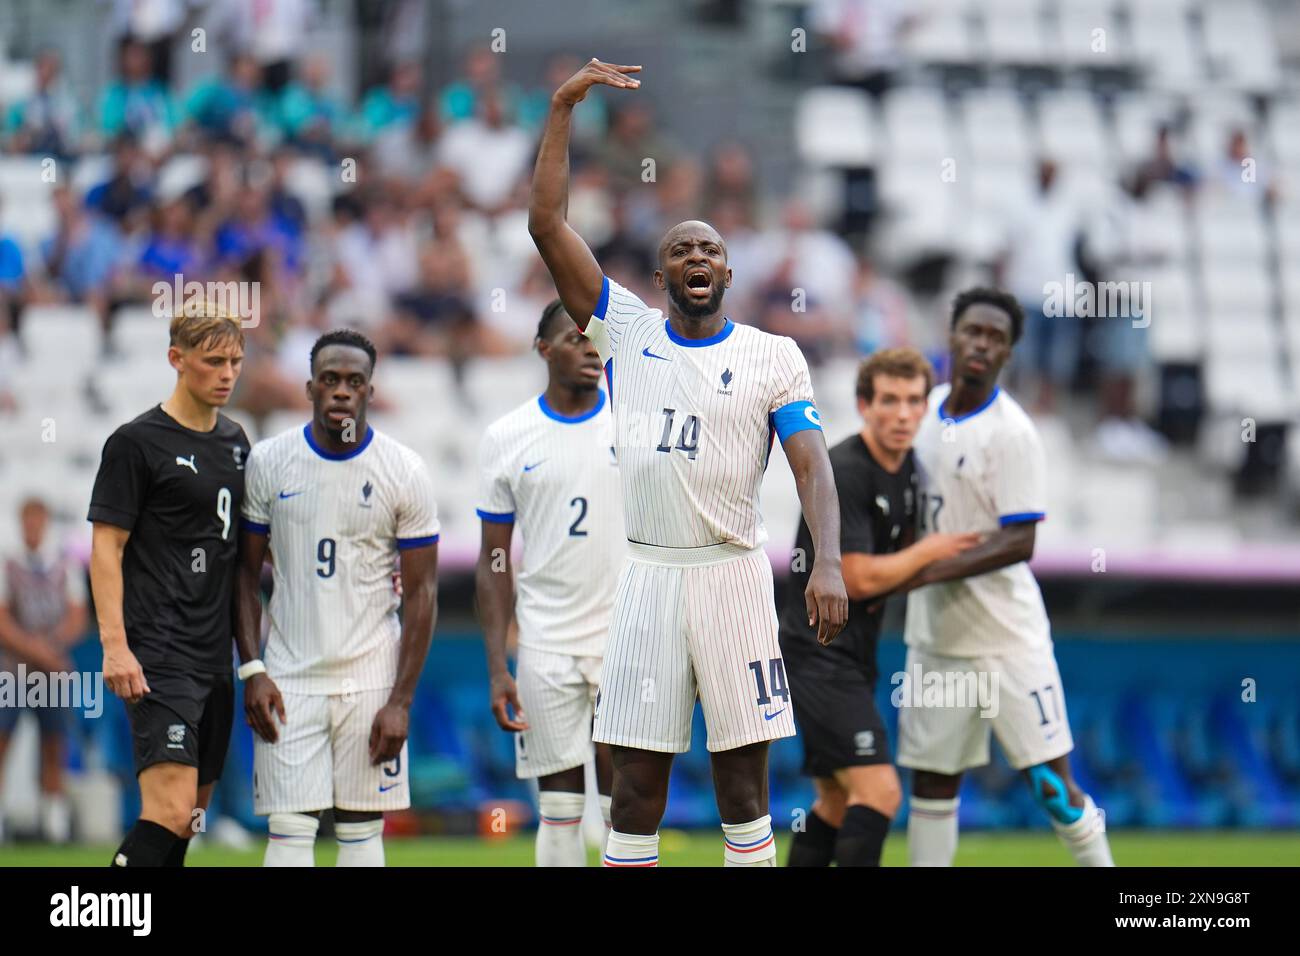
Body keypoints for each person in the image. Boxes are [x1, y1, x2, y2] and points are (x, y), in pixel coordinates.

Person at [529, 58, 848, 868]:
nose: (698, 256)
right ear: (664, 272)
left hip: (735, 575)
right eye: (683, 250)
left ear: (728, 271)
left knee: (744, 788)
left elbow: (810, 463)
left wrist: (829, 562)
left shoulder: (774, 355)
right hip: (646, 577)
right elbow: (546, 226)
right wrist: (565, 108)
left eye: (710, 247)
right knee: (635, 789)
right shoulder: (626, 331)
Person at [895, 287, 1115, 867]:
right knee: (933, 785)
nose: (981, 344)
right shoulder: (921, 415)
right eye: (973, 331)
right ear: (953, 335)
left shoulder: (1012, 432)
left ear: (1008, 353)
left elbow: (1021, 540)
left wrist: (925, 568)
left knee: (1050, 786)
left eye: (995, 338)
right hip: (937, 642)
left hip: (1007, 640)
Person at [236, 329, 439, 867]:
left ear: (371, 390)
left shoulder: (404, 471)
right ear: (309, 388)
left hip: (371, 676)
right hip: (288, 674)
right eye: (330, 380)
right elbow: (243, 575)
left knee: (361, 831)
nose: (342, 391)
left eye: (354, 382)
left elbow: (422, 594)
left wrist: (400, 701)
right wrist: (252, 668)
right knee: (288, 830)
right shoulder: (269, 461)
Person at [780, 349, 978, 867]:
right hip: (819, 656)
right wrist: (932, 551)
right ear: (865, 405)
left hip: (851, 655)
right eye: (889, 400)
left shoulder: (911, 470)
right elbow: (859, 575)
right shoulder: (845, 470)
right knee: (881, 792)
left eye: (914, 401)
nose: (903, 413)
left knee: (837, 800)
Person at [88, 304, 250, 867]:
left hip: (214, 659)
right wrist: (115, 645)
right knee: (170, 812)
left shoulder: (236, 443)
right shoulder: (136, 443)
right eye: (213, 361)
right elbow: (106, 546)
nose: (227, 373)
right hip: (159, 652)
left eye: (235, 361)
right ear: (176, 361)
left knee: (188, 823)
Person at [475, 299, 624, 866]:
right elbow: (494, 561)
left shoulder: (629, 423)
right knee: (559, 808)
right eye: (574, 338)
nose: (590, 348)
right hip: (544, 646)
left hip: (625, 640)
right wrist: (498, 668)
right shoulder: (508, 436)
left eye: (596, 340)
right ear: (543, 349)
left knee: (624, 806)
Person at [0, 497, 88, 844]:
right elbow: (3, 621)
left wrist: (50, 647)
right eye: (28, 522)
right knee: (3, 742)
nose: (33, 528)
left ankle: (53, 823)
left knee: (54, 745)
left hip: (50, 673)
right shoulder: (8, 563)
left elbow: (77, 617)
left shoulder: (64, 564)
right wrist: (38, 650)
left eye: (38, 521)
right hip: (13, 673)